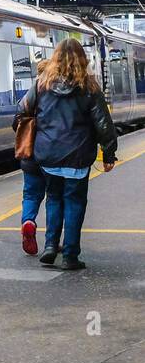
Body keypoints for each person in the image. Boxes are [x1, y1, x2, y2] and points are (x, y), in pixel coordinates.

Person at [16, 38, 117, 270]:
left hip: (48, 155)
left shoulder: (41, 84)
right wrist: (109, 154)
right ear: (83, 59)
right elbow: (104, 125)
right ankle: (70, 255)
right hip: (78, 158)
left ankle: (50, 246)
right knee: (74, 202)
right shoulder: (90, 88)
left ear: (55, 58)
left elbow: (22, 111)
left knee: (54, 198)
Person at [17, 59, 49, 257]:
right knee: (55, 197)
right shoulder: (56, 94)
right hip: (52, 156)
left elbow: (16, 122)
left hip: (29, 155)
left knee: (30, 194)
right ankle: (53, 241)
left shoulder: (29, 96)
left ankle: (28, 222)